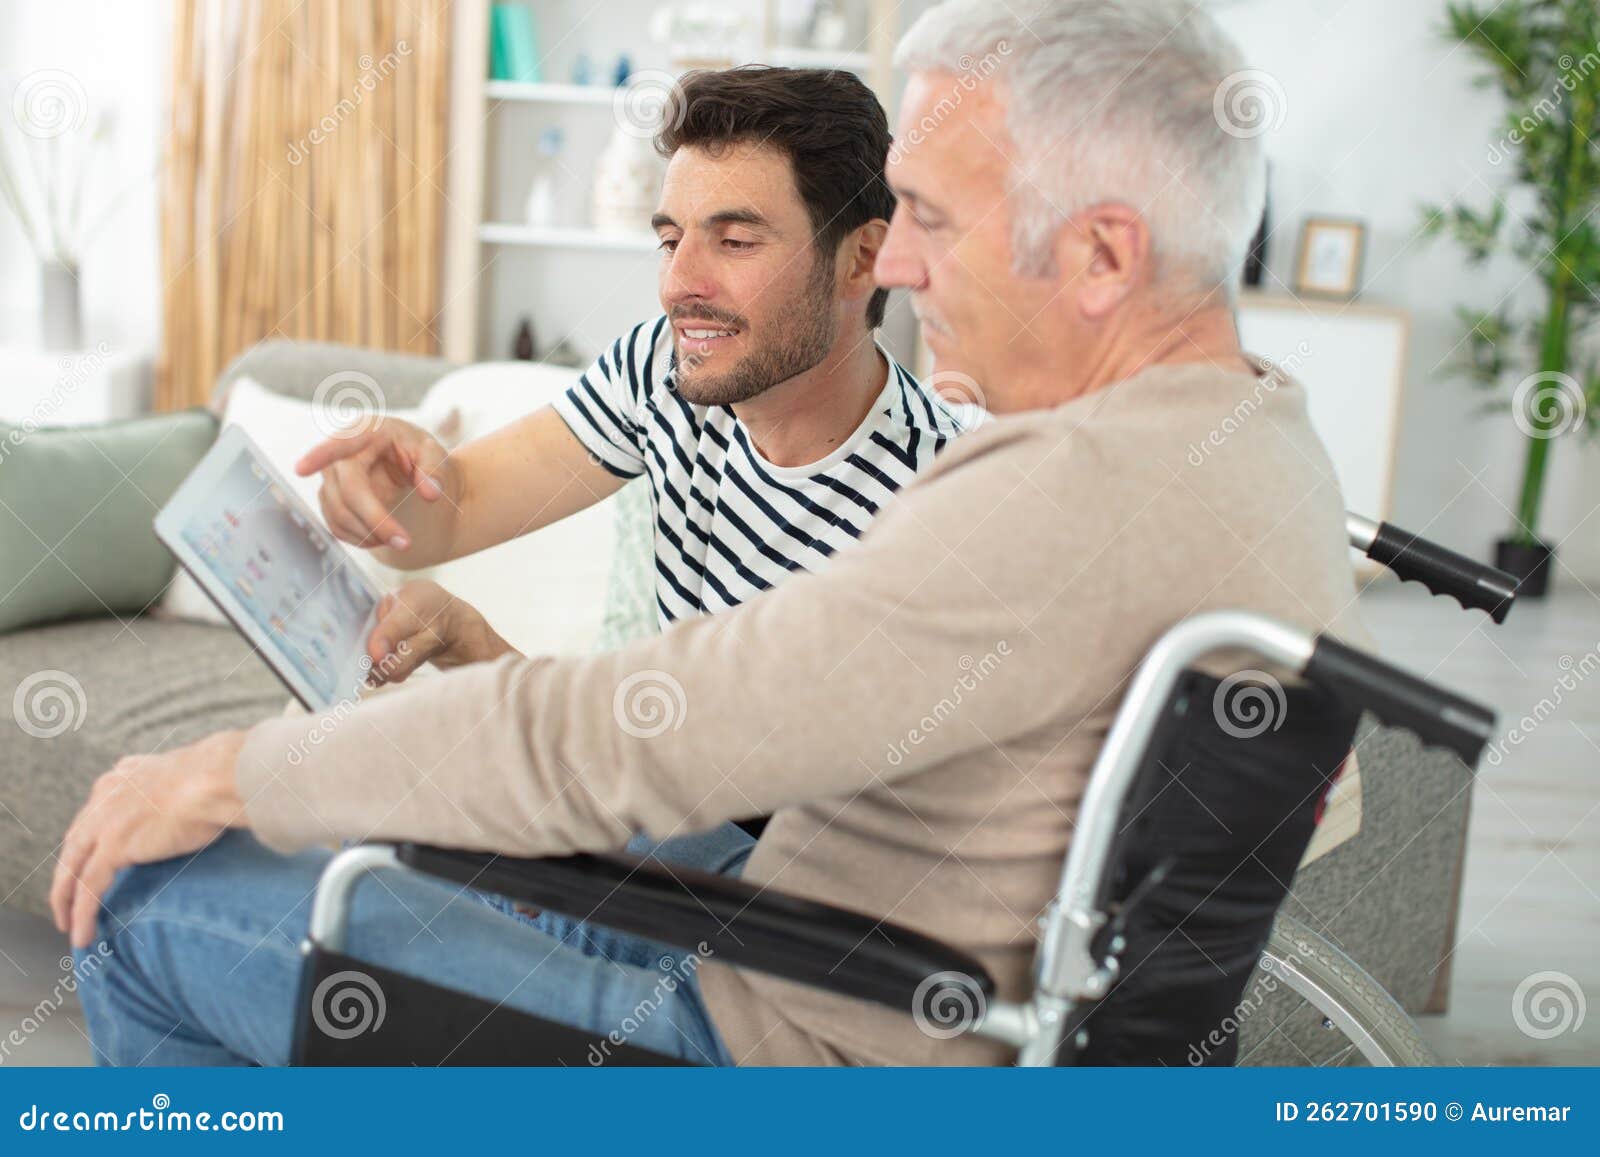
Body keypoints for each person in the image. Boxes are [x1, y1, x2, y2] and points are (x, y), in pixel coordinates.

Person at [60, 0, 1371, 1067]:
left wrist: (235, 766)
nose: (906, 265)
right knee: (391, 844)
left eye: (935, 219)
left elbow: (654, 731)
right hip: (812, 947)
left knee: (144, 902)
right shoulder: (1266, 445)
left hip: (761, 1030)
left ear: (1100, 256)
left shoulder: (1049, 493)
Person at [302, 66, 970, 684]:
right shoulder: (662, 370)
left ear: (862, 261)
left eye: (735, 241)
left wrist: (475, 650)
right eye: (671, 241)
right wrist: (393, 491)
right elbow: (455, 508)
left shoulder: (938, 503)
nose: (678, 285)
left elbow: (714, 787)